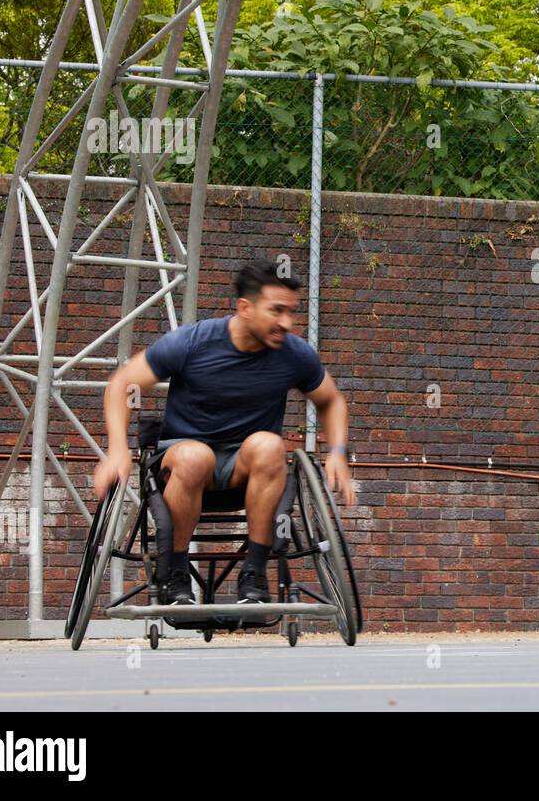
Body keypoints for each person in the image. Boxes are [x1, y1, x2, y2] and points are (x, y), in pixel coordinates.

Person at [93, 259, 353, 606]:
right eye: (276, 311)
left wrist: (337, 451)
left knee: (270, 445)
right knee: (194, 456)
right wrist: (117, 450)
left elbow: (331, 401)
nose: (286, 323)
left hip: (247, 468)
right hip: (183, 457)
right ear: (245, 308)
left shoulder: (294, 355)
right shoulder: (193, 342)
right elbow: (123, 384)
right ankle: (175, 573)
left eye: (291, 312)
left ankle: (255, 573)